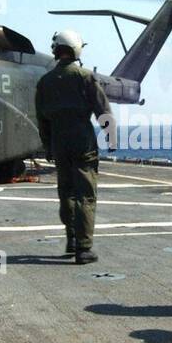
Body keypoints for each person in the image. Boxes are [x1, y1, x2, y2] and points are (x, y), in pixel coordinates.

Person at [34, 29, 114, 264]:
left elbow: (42, 120)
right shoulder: (85, 76)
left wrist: (48, 146)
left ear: (56, 51)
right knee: (85, 195)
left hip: (59, 142)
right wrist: (111, 136)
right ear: (76, 49)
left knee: (66, 192)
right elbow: (103, 110)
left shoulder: (44, 82)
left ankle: (71, 239)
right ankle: (84, 248)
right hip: (82, 141)